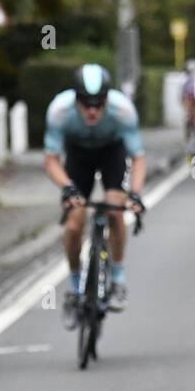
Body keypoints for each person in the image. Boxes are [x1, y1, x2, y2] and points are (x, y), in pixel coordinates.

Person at [43, 63, 146, 324]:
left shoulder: (122, 111)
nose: (92, 110)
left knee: (114, 209)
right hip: (78, 156)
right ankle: (76, 287)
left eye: (99, 103)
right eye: (86, 104)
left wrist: (134, 194)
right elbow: (51, 160)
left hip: (112, 152)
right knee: (74, 223)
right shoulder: (59, 111)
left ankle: (119, 278)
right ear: (75, 99)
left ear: (107, 100)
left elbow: (138, 158)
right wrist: (67, 187)